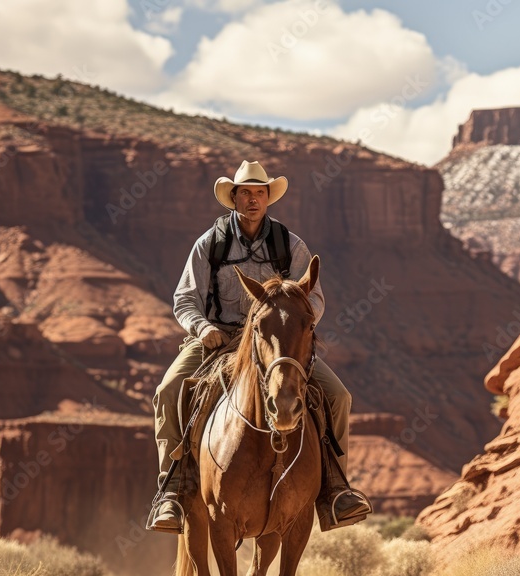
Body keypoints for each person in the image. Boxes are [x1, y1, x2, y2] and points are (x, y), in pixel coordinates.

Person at [148, 160, 372, 532]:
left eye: (260, 193)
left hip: (274, 341)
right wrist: (202, 328)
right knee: (168, 390)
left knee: (338, 397)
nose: (253, 200)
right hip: (218, 338)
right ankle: (172, 489)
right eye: (246, 193)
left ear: (269, 198)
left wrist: (297, 321)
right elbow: (185, 298)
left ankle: (335, 489)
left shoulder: (289, 244)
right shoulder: (211, 243)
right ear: (233, 198)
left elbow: (313, 296)